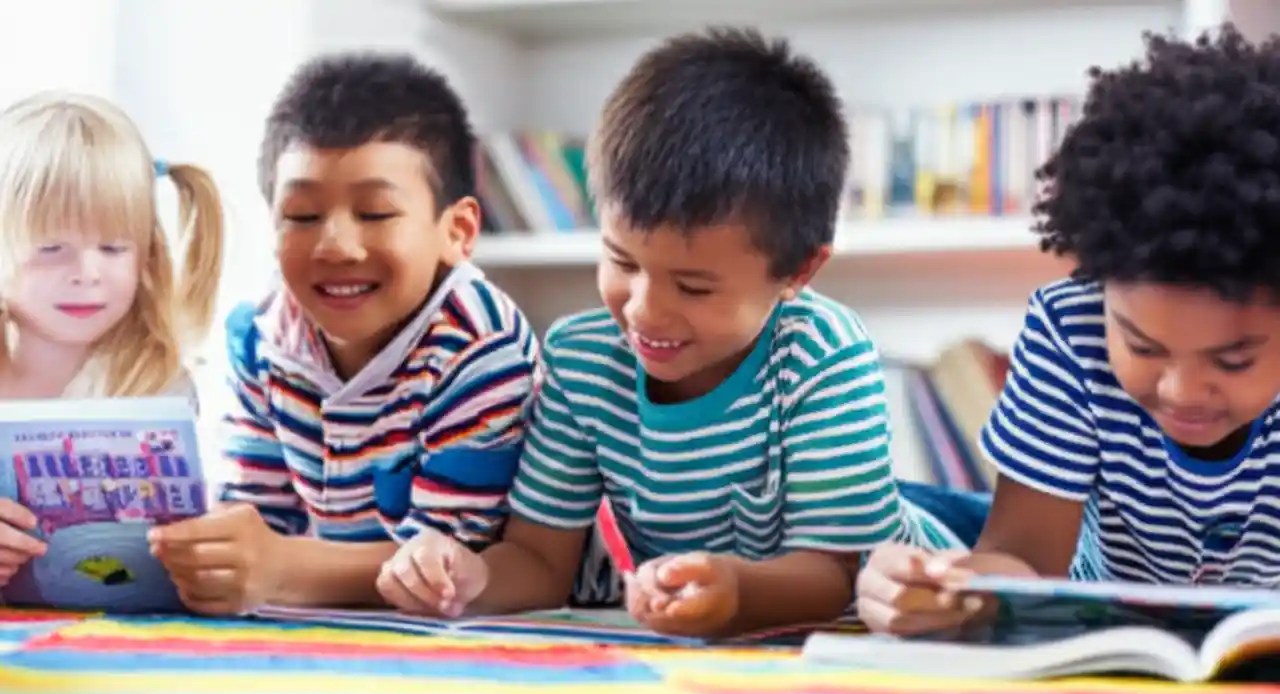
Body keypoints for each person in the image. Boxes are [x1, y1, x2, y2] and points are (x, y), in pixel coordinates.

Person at [375, 27, 959, 638]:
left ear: (799, 270)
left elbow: (829, 578)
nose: (645, 312)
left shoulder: (821, 353)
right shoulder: (581, 361)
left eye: (694, 287)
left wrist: (733, 589)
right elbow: (540, 560)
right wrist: (465, 579)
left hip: (907, 583)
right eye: (622, 262)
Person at [856, 24, 1280, 637]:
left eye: (1233, 361)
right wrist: (945, 591)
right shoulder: (1070, 331)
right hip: (1102, 633)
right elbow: (1023, 561)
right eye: (1141, 346)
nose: (1183, 390)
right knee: (905, 517)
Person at [148, 53, 538, 615]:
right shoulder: (259, 339)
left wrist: (278, 567)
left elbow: (450, 560)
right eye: (303, 216)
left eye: (376, 214)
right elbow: (258, 515)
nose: (335, 246)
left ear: (457, 231)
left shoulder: (482, 350)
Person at [0, 91, 224, 590]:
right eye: (52, 247)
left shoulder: (156, 384)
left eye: (113, 247)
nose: (87, 273)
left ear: (147, 254)